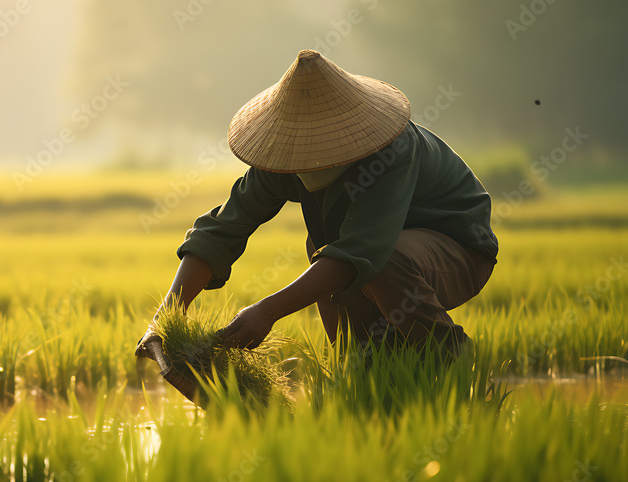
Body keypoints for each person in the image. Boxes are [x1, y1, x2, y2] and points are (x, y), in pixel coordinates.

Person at [136, 49, 497, 362]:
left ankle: (454, 363)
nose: (309, 158)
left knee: (372, 260)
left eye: (320, 145)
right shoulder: (283, 155)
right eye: (302, 145)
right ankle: (363, 374)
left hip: (457, 248)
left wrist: (267, 311)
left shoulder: (391, 150)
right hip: (372, 250)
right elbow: (221, 230)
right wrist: (166, 315)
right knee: (328, 257)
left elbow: (363, 250)